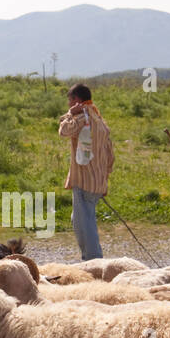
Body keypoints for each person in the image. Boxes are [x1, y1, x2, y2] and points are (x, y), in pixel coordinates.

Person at [58, 83, 114, 260]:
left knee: (85, 223)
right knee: (79, 219)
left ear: (76, 100)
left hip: (84, 179)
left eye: (70, 100)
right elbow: (110, 153)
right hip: (97, 179)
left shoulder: (82, 117)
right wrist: (105, 177)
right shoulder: (98, 119)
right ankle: (90, 257)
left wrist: (70, 114)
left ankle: (93, 260)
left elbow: (64, 131)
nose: (68, 104)